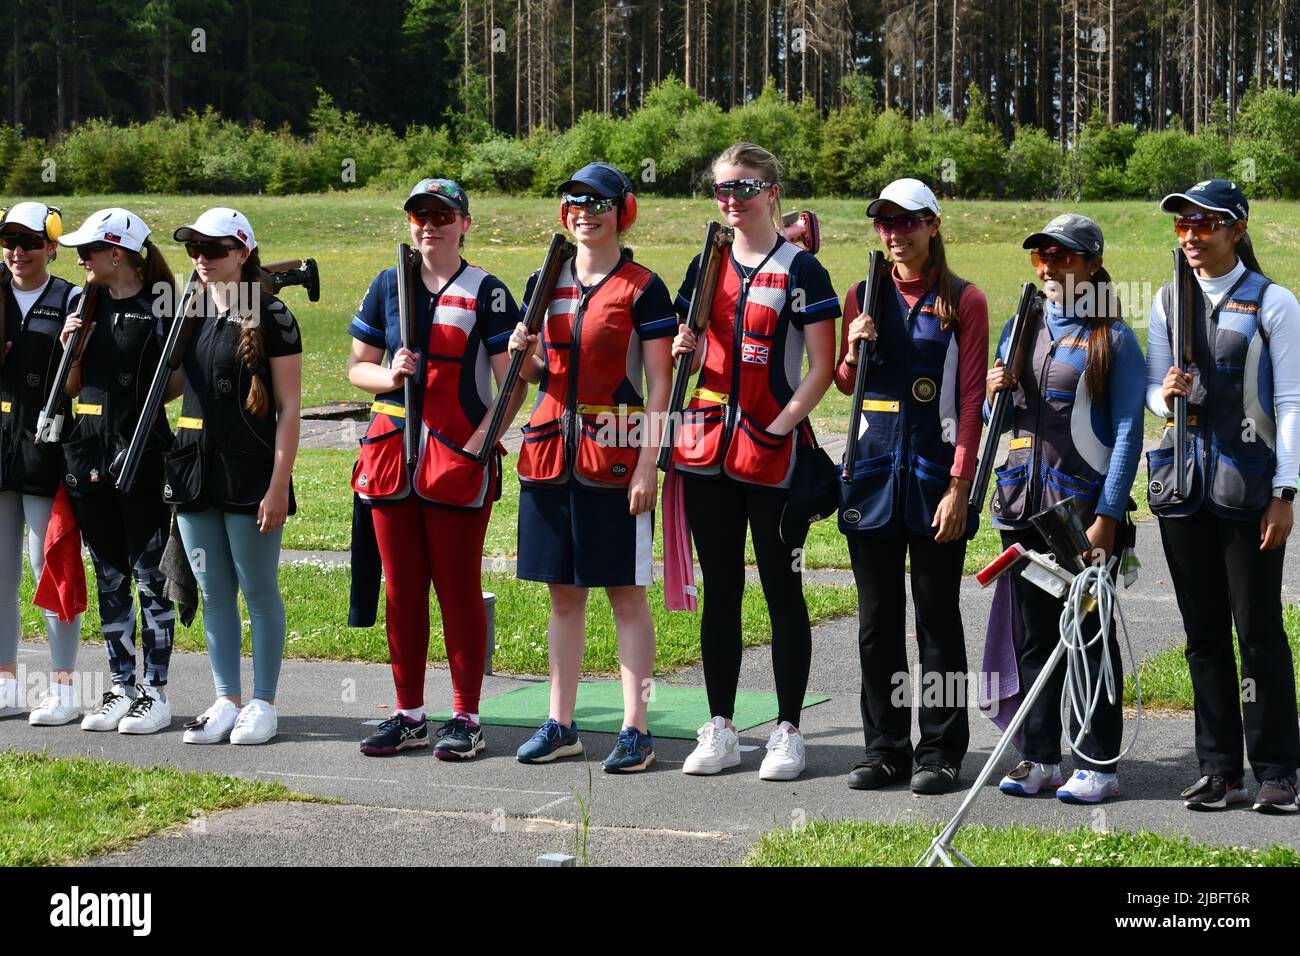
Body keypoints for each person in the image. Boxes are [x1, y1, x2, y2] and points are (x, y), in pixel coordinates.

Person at [669, 142, 838, 781]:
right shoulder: (704, 264)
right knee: (722, 590)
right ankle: (720, 725)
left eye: (744, 187)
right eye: (722, 189)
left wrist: (781, 426)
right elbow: (679, 342)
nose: (732, 200)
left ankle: (789, 729)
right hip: (706, 448)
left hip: (772, 454)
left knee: (781, 588)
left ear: (772, 192)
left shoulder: (802, 271)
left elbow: (821, 367)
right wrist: (684, 338)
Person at [348, 178, 523, 759]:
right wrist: (392, 375)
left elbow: (513, 380)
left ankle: (467, 716)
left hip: (455, 460)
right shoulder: (386, 284)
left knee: (458, 590)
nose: (430, 225)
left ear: (464, 223)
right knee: (400, 592)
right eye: (420, 215)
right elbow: (358, 370)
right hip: (390, 456)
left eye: (442, 215)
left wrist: (480, 444)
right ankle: (408, 712)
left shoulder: (487, 291)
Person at [509, 162, 673, 773]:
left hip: (618, 456)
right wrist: (518, 356)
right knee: (562, 597)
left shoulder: (643, 287)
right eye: (574, 201)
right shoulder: (542, 279)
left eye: (599, 202)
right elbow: (531, 378)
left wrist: (648, 466)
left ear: (621, 211)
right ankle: (561, 724)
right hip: (551, 456)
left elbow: (661, 386)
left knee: (626, 596)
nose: (585, 211)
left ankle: (637, 730)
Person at [1146, 179, 1300, 814]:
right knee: (1202, 632)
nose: (1191, 236)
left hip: (1250, 490)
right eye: (1182, 225)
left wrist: (1286, 492)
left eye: (1204, 224)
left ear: (1236, 229)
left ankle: (1278, 770)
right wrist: (1168, 394)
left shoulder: (1274, 302)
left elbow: (1291, 404)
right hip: (1182, 491)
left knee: (1257, 629)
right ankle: (1219, 768)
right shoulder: (1164, 300)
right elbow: (1152, 390)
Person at [835, 178, 989, 795]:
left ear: (932, 225)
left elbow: (973, 400)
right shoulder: (861, 294)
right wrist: (852, 348)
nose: (895, 235)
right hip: (871, 479)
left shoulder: (965, 300)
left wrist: (960, 486)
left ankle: (942, 750)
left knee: (937, 620)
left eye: (907, 223)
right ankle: (885, 748)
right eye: (885, 224)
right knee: (876, 621)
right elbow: (847, 387)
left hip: (933, 482)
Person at [986, 213, 1144, 804]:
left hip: (1080, 512)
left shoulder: (1114, 339)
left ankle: (1100, 762)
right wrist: (992, 394)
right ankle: (1041, 756)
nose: (1051, 269)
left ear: (1093, 265)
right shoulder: (1019, 326)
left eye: (1065, 258)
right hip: (1020, 503)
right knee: (1031, 637)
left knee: (1089, 637)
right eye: (1042, 258)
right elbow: (991, 419)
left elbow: (1129, 434)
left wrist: (1108, 516)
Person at [164, 208, 302, 746]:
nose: (202, 259)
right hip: (194, 469)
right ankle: (226, 697)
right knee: (213, 591)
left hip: (251, 473)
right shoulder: (187, 309)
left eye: (215, 249)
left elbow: (290, 409)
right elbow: (175, 388)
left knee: (259, 592)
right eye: (194, 248)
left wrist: (276, 484)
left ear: (243, 252)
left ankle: (263, 702)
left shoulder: (273, 316)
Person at [55, 208, 178, 734]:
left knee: (150, 575)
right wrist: (70, 349)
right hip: (86, 452)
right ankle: (120, 685)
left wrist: (139, 416)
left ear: (118, 253)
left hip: (144, 452)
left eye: (88, 249)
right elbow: (71, 388)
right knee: (109, 573)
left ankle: (157, 690)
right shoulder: (86, 302)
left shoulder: (162, 305)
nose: (79, 258)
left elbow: (176, 380)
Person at [0, 202, 86, 726]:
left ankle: (64, 686)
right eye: (9, 240)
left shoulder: (72, 298)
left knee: (48, 568)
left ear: (53, 246)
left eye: (30, 241)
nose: (18, 251)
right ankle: (6, 681)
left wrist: (71, 348)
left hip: (46, 443)